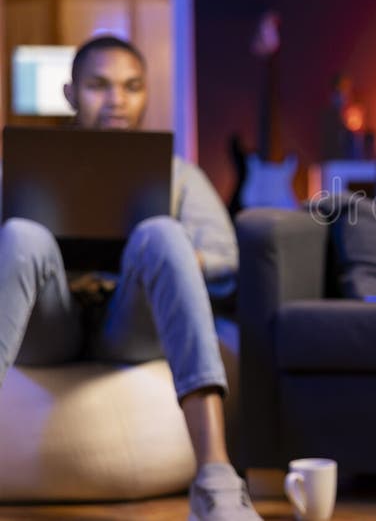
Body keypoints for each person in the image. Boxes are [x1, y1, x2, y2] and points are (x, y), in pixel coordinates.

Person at [0, 36, 261, 521]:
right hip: (47, 324)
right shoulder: (17, 170)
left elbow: (228, 259)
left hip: (131, 323)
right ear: (70, 93)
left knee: (163, 233)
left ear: (145, 93)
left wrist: (171, 260)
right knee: (19, 233)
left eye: (131, 86)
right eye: (98, 85)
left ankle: (216, 481)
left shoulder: (179, 175)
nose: (116, 99)